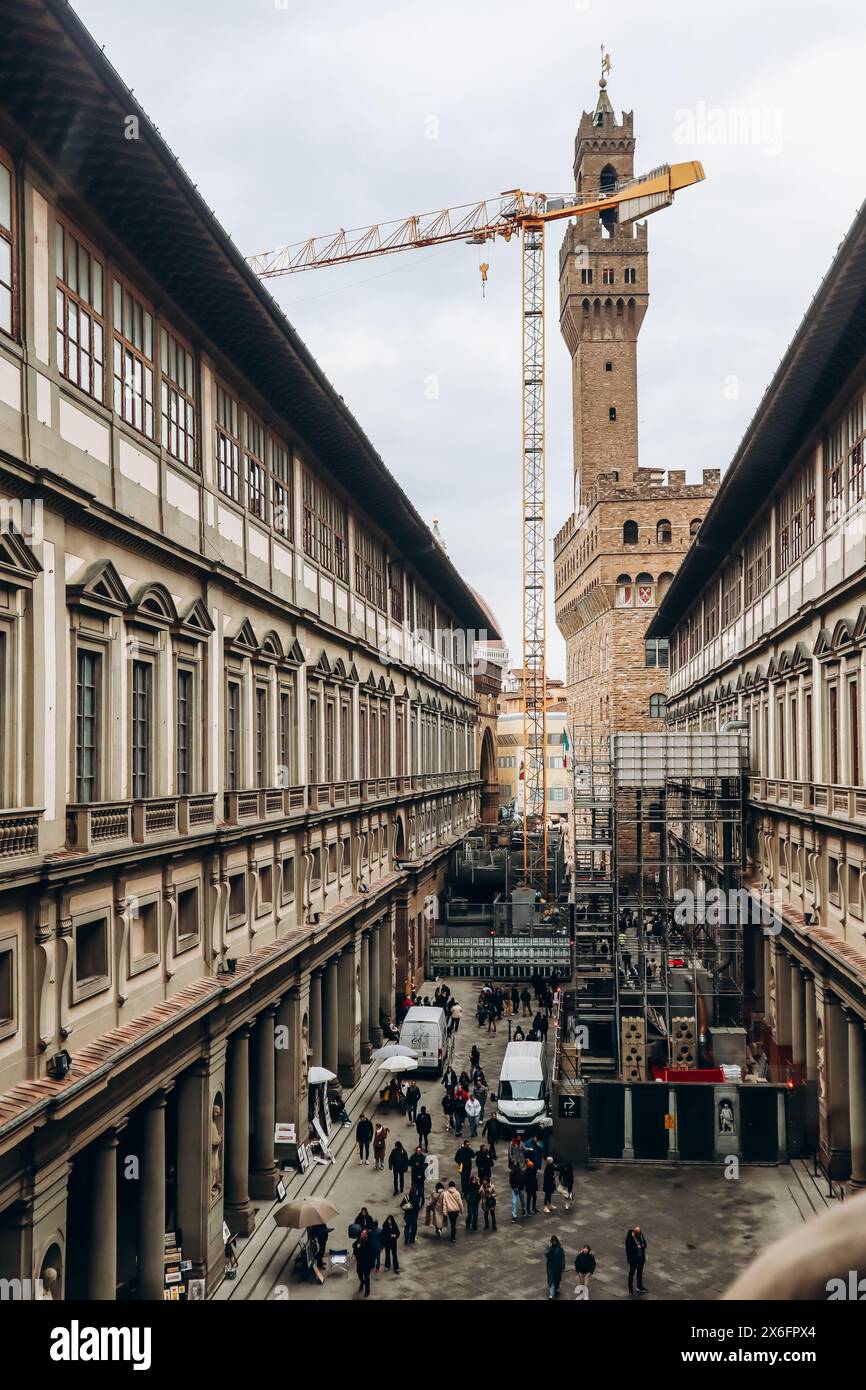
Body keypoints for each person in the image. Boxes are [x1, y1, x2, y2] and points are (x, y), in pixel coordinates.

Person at [353, 1229, 376, 1297]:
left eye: (363, 1233)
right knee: (359, 1274)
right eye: (362, 1233)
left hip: (367, 1263)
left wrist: (372, 1265)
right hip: (360, 1262)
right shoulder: (360, 1240)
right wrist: (357, 1246)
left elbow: (373, 1255)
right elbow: (353, 1245)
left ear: (367, 1235)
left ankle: (367, 1290)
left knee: (366, 1277)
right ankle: (362, 1283)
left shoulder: (371, 1242)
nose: (361, 1234)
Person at [626, 1225, 648, 1294]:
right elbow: (629, 1250)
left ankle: (639, 1286)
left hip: (641, 1258)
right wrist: (637, 1247)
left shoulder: (640, 1235)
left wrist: (642, 1245)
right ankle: (630, 1288)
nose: (640, 1234)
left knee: (639, 1272)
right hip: (633, 1260)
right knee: (632, 1273)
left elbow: (645, 1243)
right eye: (638, 1234)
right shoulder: (630, 1239)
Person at [546, 1235, 566, 1299]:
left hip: (558, 1267)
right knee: (551, 1280)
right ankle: (551, 1294)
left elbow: (562, 1258)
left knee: (557, 1280)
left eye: (554, 1241)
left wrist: (563, 1267)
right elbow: (546, 1254)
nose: (554, 1242)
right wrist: (549, 1249)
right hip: (551, 1266)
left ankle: (556, 1289)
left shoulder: (560, 1249)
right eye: (552, 1241)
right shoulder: (550, 1248)